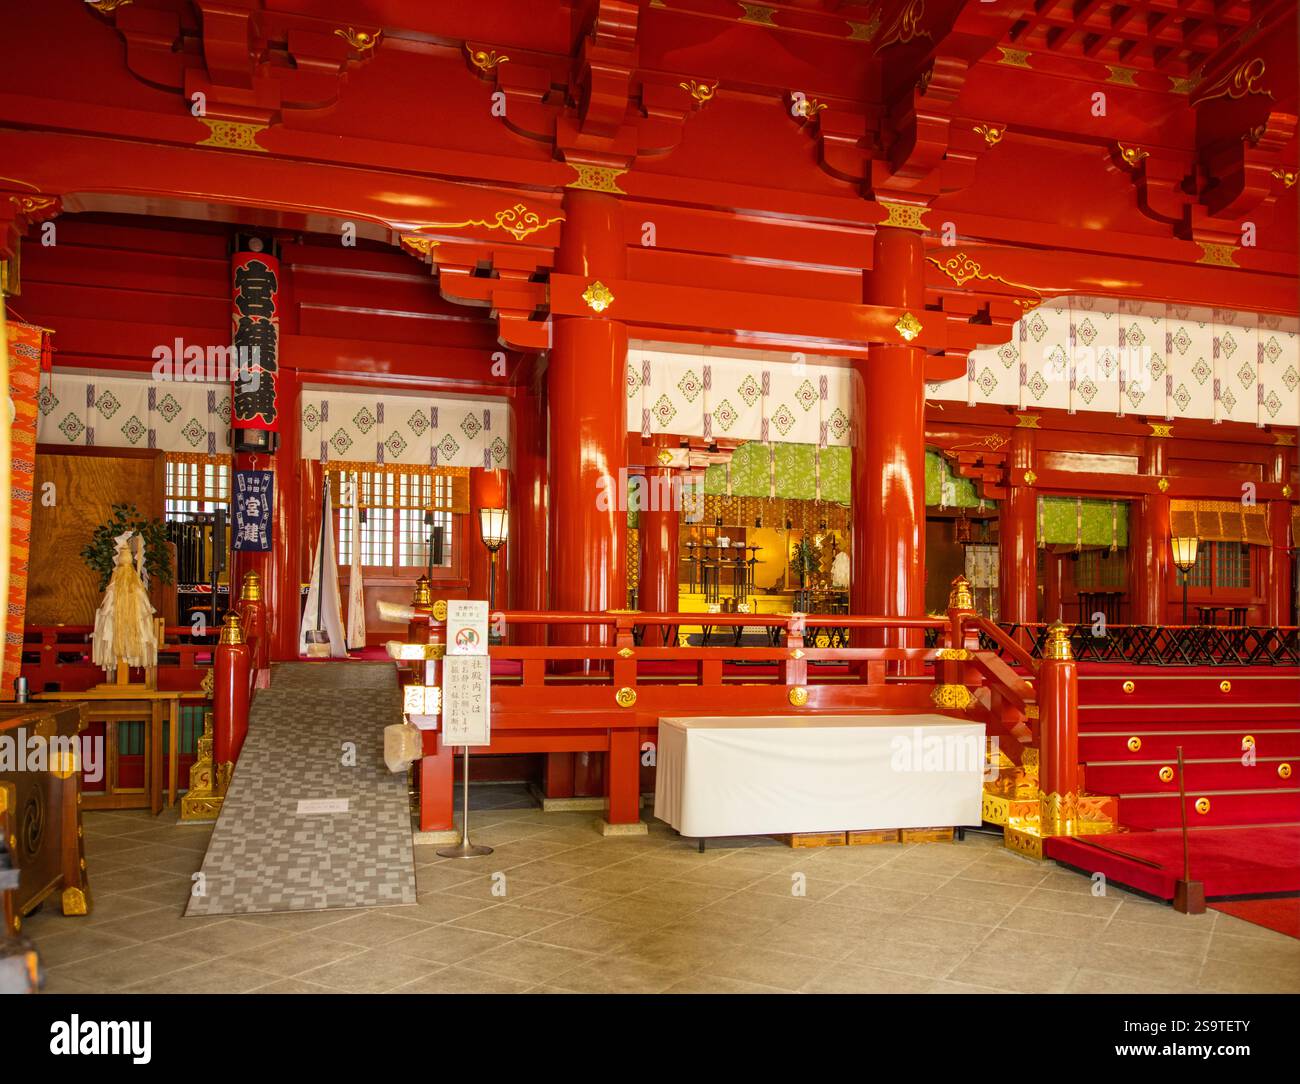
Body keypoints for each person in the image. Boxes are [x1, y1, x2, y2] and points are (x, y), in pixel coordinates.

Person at [91, 531, 158, 672]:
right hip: (120, 590)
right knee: (113, 622)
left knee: (135, 623)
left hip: (131, 591)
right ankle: (118, 656)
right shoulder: (118, 572)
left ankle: (132, 654)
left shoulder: (131, 575)